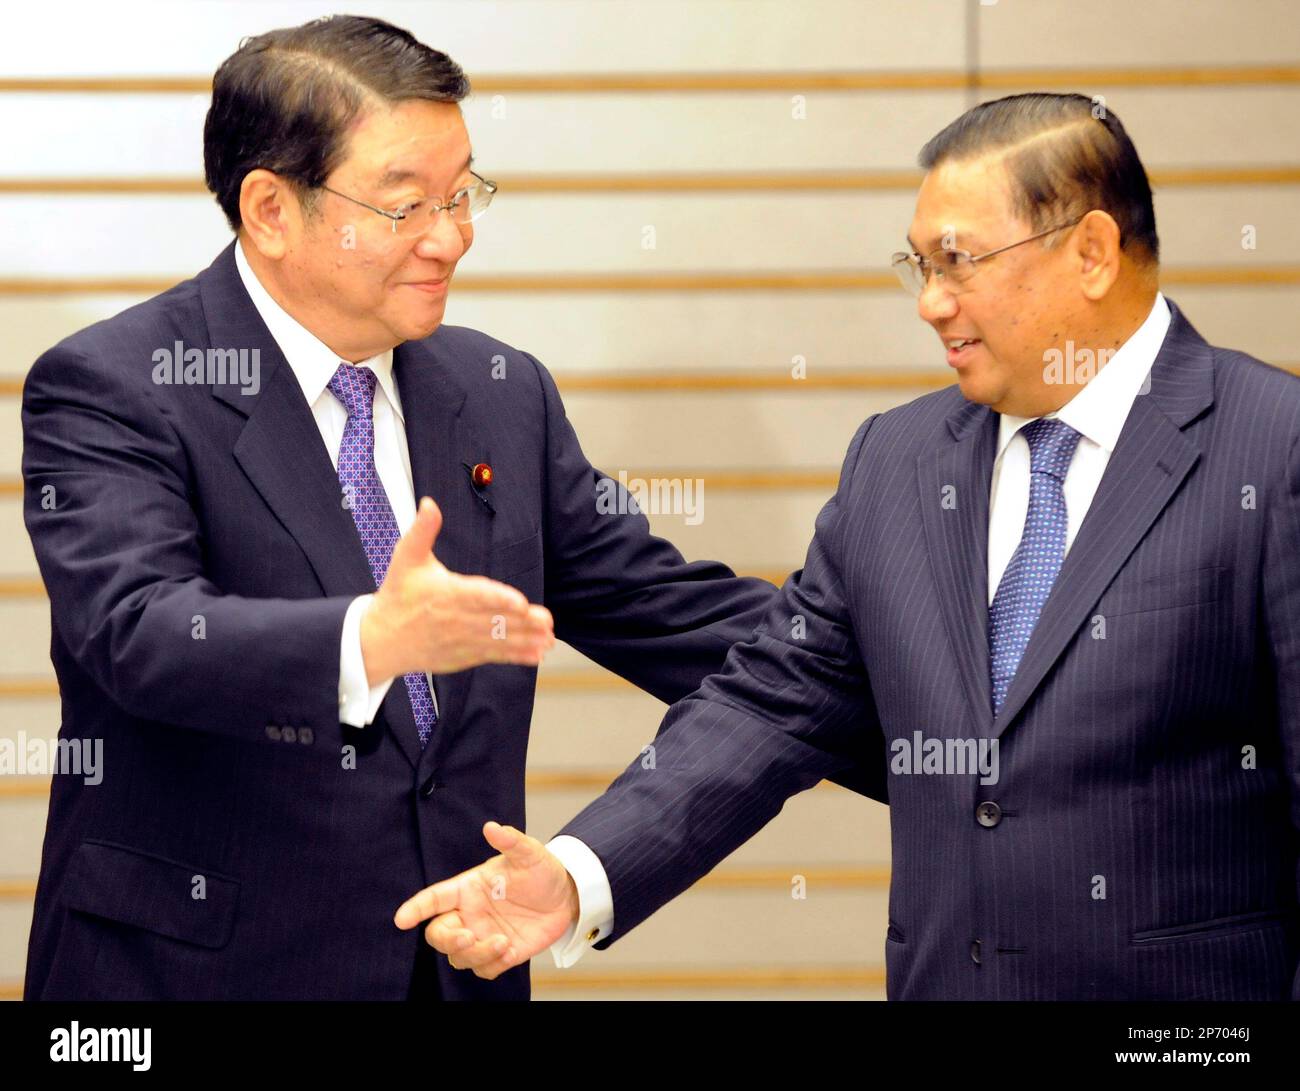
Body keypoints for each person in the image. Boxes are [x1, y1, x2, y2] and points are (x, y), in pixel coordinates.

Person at [20, 14, 883, 1001]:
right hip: (193, 974)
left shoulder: (498, 391)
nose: (451, 234)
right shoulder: (118, 382)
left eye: (462, 191)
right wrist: (369, 640)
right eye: (405, 204)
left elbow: (675, 616)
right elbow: (139, 634)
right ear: (269, 208)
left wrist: (965, 707)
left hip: (455, 973)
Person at [396, 92, 1300, 1001]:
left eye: (958, 262)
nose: (931, 303)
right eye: (919, 266)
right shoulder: (897, 461)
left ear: (1092, 252)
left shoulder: (1273, 448)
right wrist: (578, 874)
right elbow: (771, 704)